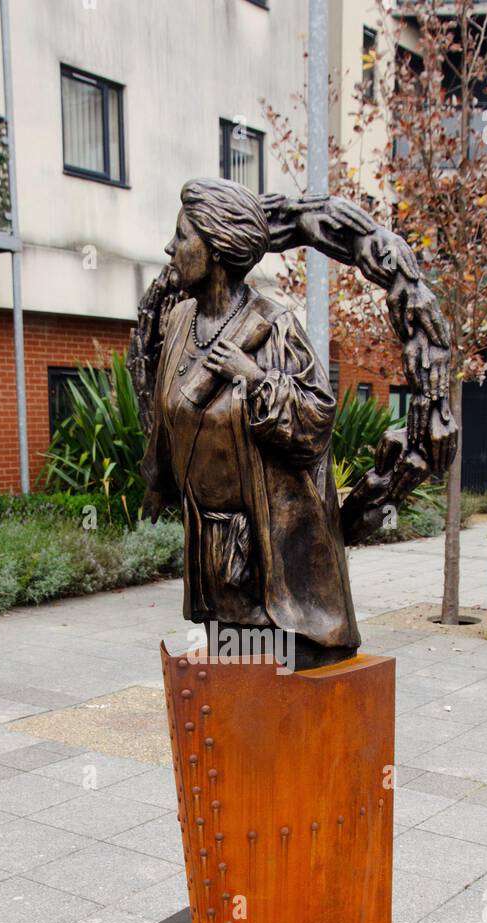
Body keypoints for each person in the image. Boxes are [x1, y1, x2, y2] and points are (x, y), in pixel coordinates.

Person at [141, 177, 360, 669]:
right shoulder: (179, 320)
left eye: (182, 237)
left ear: (217, 248)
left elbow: (316, 419)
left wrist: (255, 377)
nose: (169, 248)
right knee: (230, 665)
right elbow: (166, 410)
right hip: (208, 537)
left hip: (266, 542)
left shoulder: (274, 326)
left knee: (273, 666)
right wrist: (157, 479)